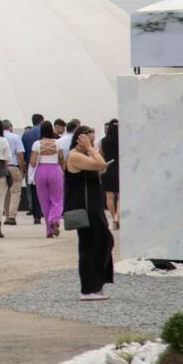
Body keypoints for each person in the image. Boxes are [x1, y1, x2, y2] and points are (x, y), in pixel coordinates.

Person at [65, 125, 114, 300]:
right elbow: (101, 164)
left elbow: (102, 167)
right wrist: (90, 148)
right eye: (90, 140)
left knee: (101, 242)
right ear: (80, 139)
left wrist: (90, 149)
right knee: (91, 245)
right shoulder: (75, 156)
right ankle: (88, 288)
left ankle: (95, 285)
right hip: (85, 208)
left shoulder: (84, 155)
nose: (93, 144)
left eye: (93, 141)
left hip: (93, 206)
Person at [32, 120, 65, 237]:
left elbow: (32, 162)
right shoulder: (58, 143)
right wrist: (63, 170)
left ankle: (49, 231)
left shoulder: (36, 144)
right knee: (57, 199)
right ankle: (54, 220)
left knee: (44, 201)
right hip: (55, 170)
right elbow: (61, 159)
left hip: (41, 171)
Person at [21, 114, 44, 224]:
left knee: (33, 190)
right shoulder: (45, 133)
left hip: (31, 164)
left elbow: (23, 152)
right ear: (41, 121)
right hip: (45, 164)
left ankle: (36, 214)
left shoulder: (26, 134)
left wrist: (25, 165)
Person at [2, 120, 25, 226]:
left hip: (2, 168)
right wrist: (22, 168)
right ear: (10, 127)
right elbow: (19, 154)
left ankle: (6, 215)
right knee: (15, 192)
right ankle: (12, 216)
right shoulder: (15, 137)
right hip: (13, 166)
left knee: (5, 193)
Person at [101, 120, 120, 230]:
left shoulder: (103, 141)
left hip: (108, 169)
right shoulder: (121, 141)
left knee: (109, 196)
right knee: (120, 196)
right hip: (119, 170)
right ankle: (118, 216)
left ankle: (113, 218)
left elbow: (100, 156)